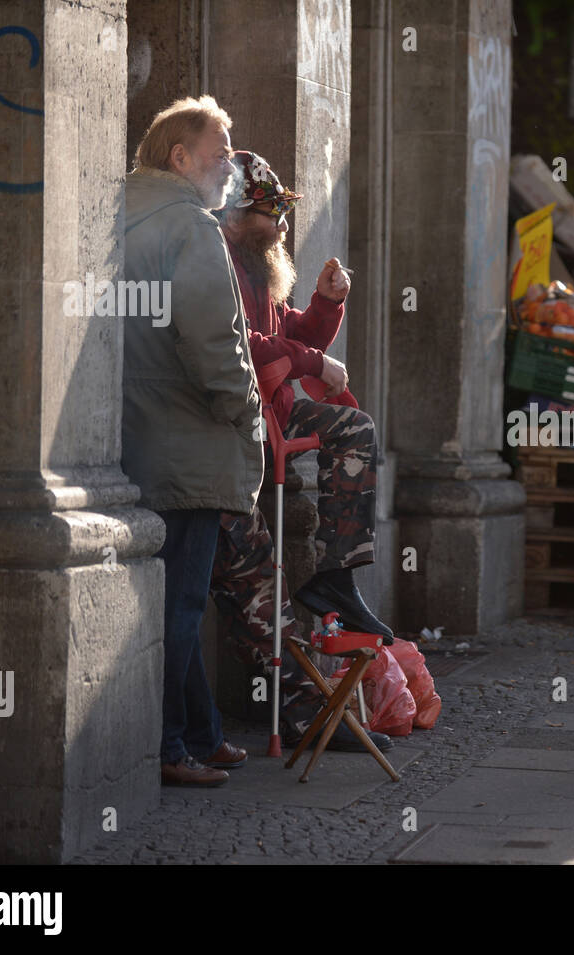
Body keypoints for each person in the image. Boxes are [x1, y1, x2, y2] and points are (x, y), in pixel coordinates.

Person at [211, 150, 392, 752]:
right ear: (237, 212)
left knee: (357, 431)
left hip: (275, 413)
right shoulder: (219, 259)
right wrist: (310, 361)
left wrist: (325, 303)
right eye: (270, 209)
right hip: (238, 432)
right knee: (256, 584)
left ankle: (337, 576)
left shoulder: (261, 265)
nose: (282, 221)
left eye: (284, 207)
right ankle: (299, 709)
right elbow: (247, 339)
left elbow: (286, 331)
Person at [123, 95, 262, 787]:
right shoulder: (190, 227)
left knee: (179, 595)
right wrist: (246, 411)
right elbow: (214, 344)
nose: (231, 159)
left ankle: (201, 733)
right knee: (181, 604)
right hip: (188, 439)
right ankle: (169, 748)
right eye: (220, 146)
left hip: (138, 435)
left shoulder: (122, 215)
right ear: (179, 157)